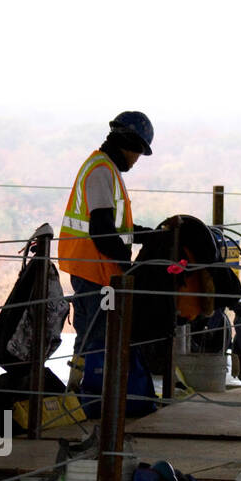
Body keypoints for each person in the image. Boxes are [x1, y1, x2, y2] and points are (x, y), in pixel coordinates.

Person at [57, 112, 155, 382]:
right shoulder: (101, 171)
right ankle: (91, 396)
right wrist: (128, 265)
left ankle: (77, 391)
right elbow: (101, 231)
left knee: (89, 335)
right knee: (98, 336)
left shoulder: (103, 168)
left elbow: (115, 229)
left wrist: (148, 235)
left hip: (90, 267)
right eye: (138, 153)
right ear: (130, 145)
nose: (136, 160)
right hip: (96, 269)